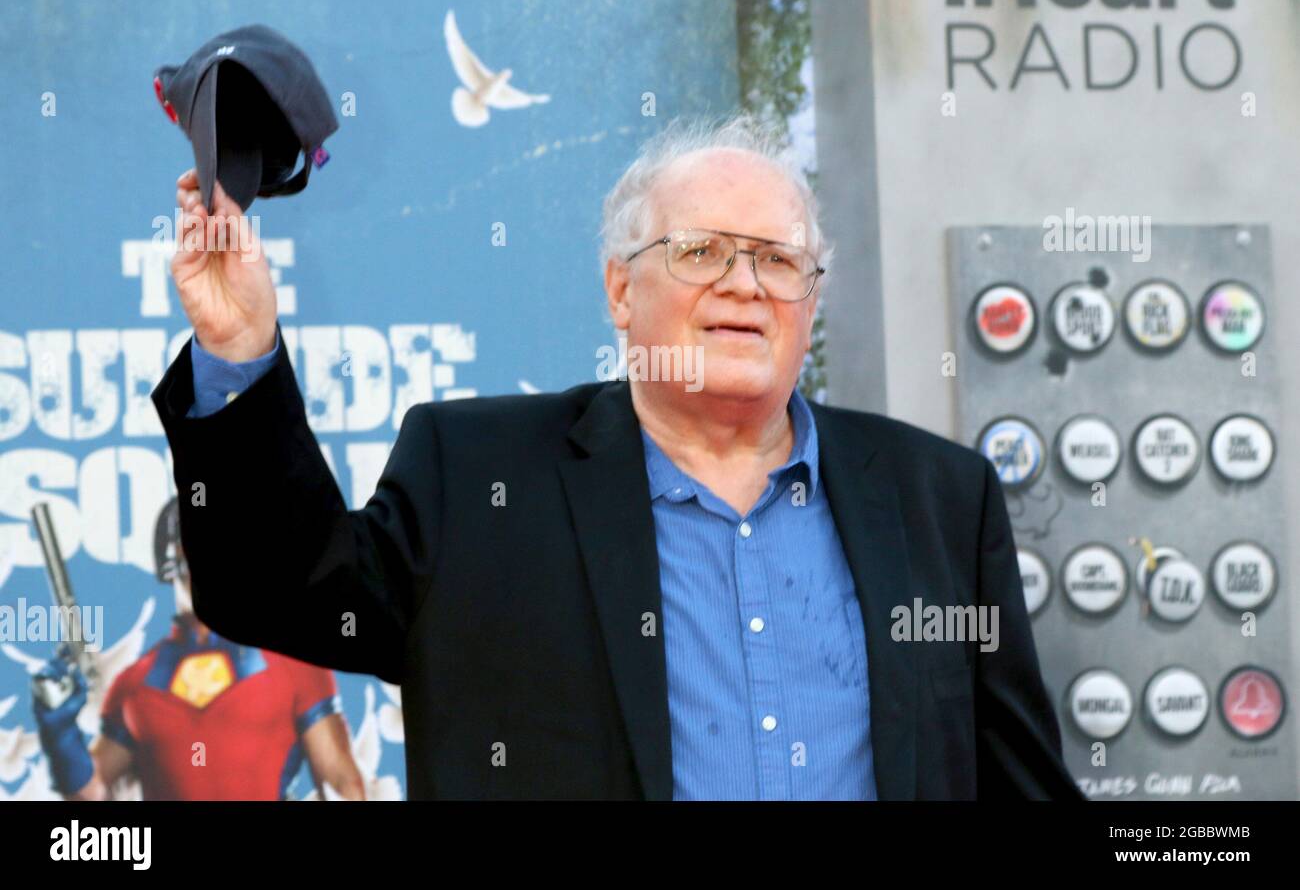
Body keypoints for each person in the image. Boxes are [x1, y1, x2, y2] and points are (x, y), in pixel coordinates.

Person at [151, 112, 1081, 800]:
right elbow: (271, 585)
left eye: (778, 259)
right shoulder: (480, 476)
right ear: (619, 291)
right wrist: (238, 353)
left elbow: (1022, 788)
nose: (744, 286)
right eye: (703, 251)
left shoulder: (940, 500)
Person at [32, 499, 366, 800]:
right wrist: (60, 733)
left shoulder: (294, 665)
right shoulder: (135, 683)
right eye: (189, 559)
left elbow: (341, 783)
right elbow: (92, 792)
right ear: (170, 563)